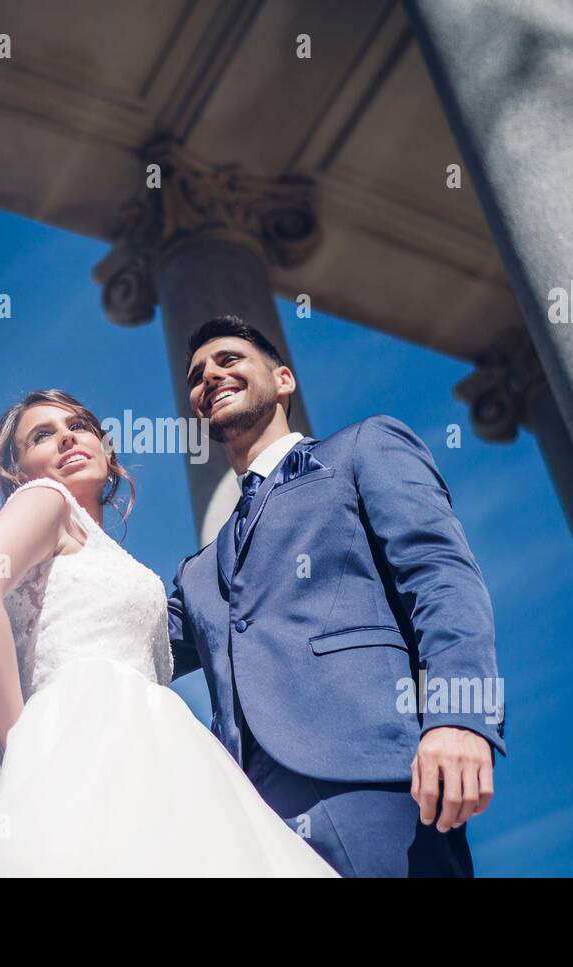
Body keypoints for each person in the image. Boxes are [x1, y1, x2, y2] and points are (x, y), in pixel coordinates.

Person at [0, 388, 337, 876]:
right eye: (43, 436)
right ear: (19, 472)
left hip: (152, 745)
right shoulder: (47, 499)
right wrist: (18, 735)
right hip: (90, 730)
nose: (67, 438)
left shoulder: (92, 541)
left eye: (78, 427)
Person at [168, 315, 506, 877]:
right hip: (247, 821)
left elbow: (441, 576)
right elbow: (121, 639)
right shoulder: (197, 573)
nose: (210, 377)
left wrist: (460, 716)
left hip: (367, 777)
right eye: (197, 375)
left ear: (283, 380)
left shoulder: (363, 447)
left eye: (228, 360)